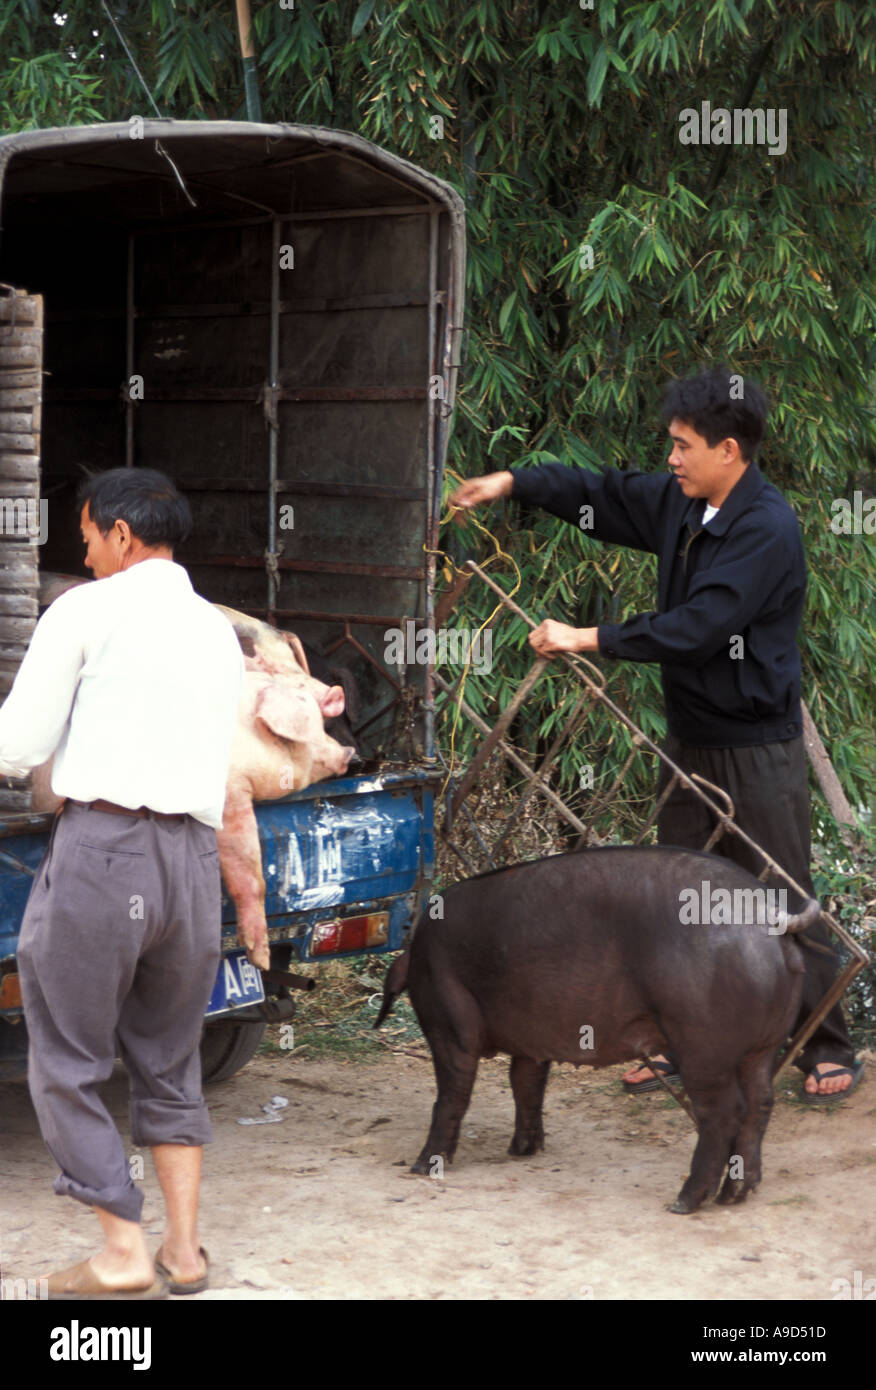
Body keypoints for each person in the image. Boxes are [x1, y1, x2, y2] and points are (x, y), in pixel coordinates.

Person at [450, 366, 862, 1102]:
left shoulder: (765, 528)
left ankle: (823, 1041)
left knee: (779, 892)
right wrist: (512, 481)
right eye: (669, 445)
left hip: (755, 748)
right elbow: (601, 496)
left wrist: (588, 636)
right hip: (688, 739)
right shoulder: (682, 503)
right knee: (677, 897)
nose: (670, 459)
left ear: (728, 451)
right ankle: (679, 1039)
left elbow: (702, 627)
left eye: (682, 445)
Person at [0, 467, 244, 1299]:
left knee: (67, 1058)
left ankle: (120, 1252)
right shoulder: (216, 629)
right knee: (169, 1061)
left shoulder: (84, 610)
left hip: (105, 851)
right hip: (191, 863)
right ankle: (182, 1252)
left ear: (122, 536)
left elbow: (19, 743)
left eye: (88, 540)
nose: (86, 555)